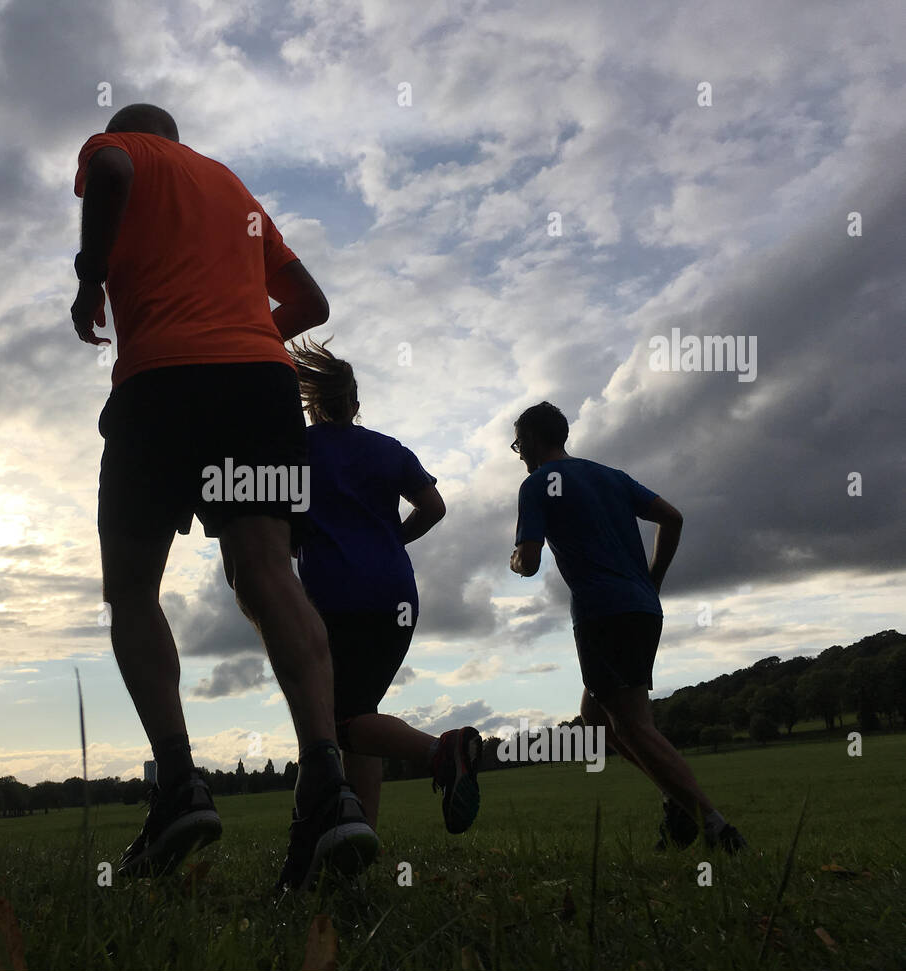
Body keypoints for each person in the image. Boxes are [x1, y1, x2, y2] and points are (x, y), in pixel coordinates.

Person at [72, 103, 375, 891]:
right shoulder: (233, 186)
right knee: (267, 570)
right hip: (259, 386)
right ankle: (328, 783)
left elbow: (108, 175)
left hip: (160, 384)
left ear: (138, 131)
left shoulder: (118, 147)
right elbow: (312, 302)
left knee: (133, 587)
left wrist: (87, 281)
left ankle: (179, 783)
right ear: (182, 138)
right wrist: (248, 334)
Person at [508, 401, 746, 852]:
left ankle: (717, 828)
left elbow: (530, 559)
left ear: (534, 441)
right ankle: (676, 802)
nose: (519, 453)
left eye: (519, 444)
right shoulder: (610, 476)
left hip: (602, 613)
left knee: (632, 725)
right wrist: (652, 579)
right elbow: (672, 517)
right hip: (642, 609)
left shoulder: (537, 483)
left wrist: (516, 559)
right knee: (596, 716)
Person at [289, 337, 482, 834]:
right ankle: (364, 834)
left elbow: (282, 528)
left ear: (311, 404)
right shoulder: (389, 450)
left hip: (334, 599)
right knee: (360, 716)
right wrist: (393, 539)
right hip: (396, 596)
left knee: (331, 725)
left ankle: (441, 751)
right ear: (356, 404)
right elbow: (434, 507)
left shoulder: (298, 450)